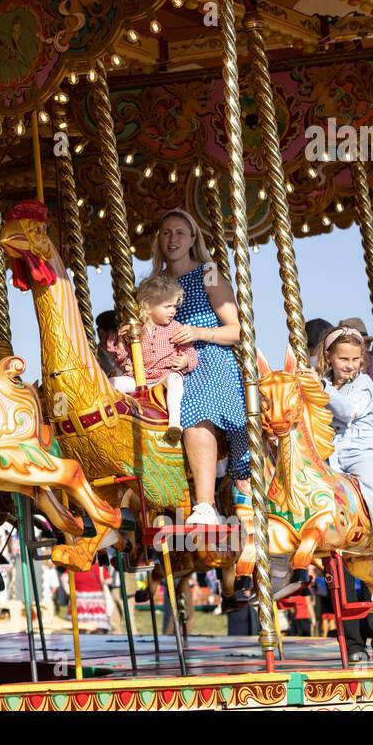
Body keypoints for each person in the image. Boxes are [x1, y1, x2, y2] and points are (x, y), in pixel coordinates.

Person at [152, 210, 246, 526]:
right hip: (165, 360)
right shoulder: (155, 283)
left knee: (194, 404)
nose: (173, 238)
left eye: (180, 232)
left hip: (209, 357)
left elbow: (236, 330)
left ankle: (205, 504)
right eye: (166, 232)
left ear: (193, 238)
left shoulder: (207, 273)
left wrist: (198, 333)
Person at [319, 325, 373, 605]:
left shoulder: (364, 384)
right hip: (328, 453)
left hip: (360, 453)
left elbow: (346, 412)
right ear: (329, 357)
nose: (350, 365)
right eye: (344, 359)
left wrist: (319, 388)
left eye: (356, 359)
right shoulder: (321, 380)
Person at [109, 275, 197, 444]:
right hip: (139, 377)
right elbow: (122, 361)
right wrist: (120, 341)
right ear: (148, 307)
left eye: (174, 306)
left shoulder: (177, 328)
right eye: (167, 306)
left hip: (164, 375)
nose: (173, 311)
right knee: (112, 383)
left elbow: (191, 354)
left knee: (175, 380)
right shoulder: (135, 330)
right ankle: (114, 423)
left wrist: (185, 362)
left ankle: (174, 423)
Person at [95, 310, 121, 378]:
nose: (120, 337)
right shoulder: (93, 357)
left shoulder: (127, 354)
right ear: (101, 333)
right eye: (115, 332)